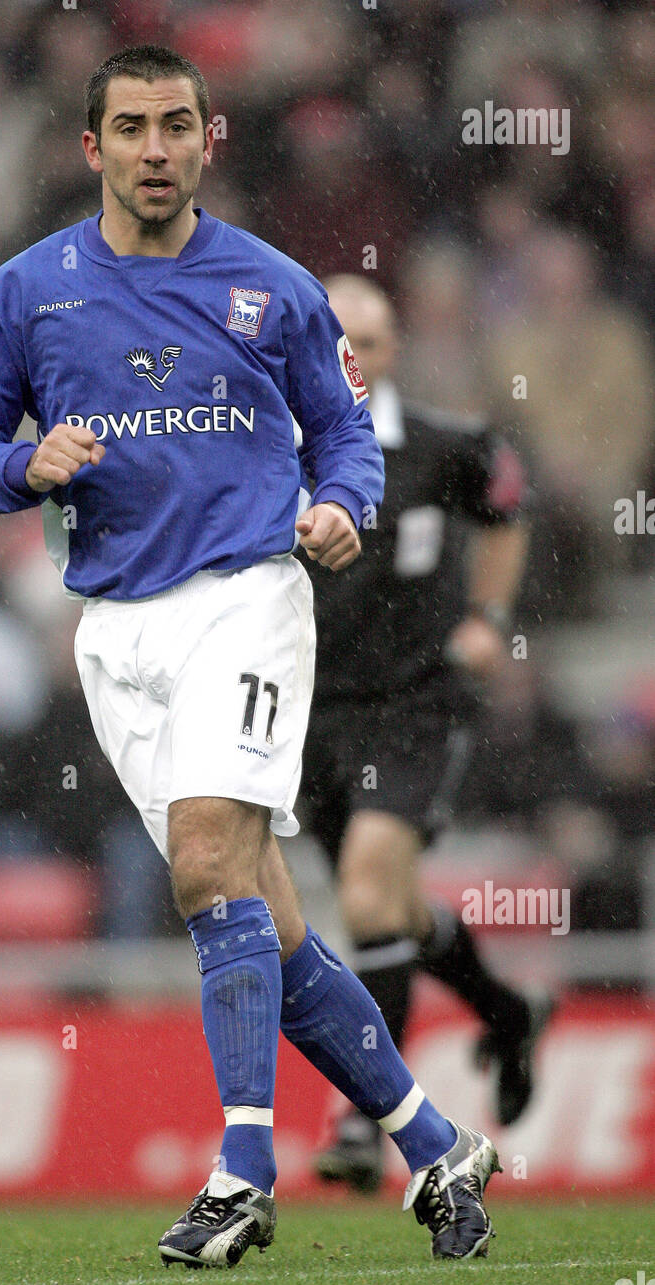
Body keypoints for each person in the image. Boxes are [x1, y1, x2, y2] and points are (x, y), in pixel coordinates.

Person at [0, 45, 500, 1267]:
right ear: (91, 148)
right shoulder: (27, 294)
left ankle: (241, 1168)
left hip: (244, 597)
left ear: (207, 138)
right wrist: (20, 466)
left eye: (173, 125)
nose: (151, 149)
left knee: (202, 868)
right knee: (267, 931)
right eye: (128, 127)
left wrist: (341, 502)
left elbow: (344, 428)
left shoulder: (274, 287)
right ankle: (436, 1142)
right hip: (114, 633)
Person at [299, 276, 552, 1192]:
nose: (355, 358)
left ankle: (369, 1123)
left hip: (411, 702)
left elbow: (506, 509)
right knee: (392, 915)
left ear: (395, 348)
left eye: (371, 340)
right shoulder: (272, 444)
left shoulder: (444, 447)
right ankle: (509, 1011)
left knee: (366, 899)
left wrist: (486, 613)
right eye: (340, 340)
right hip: (306, 716)